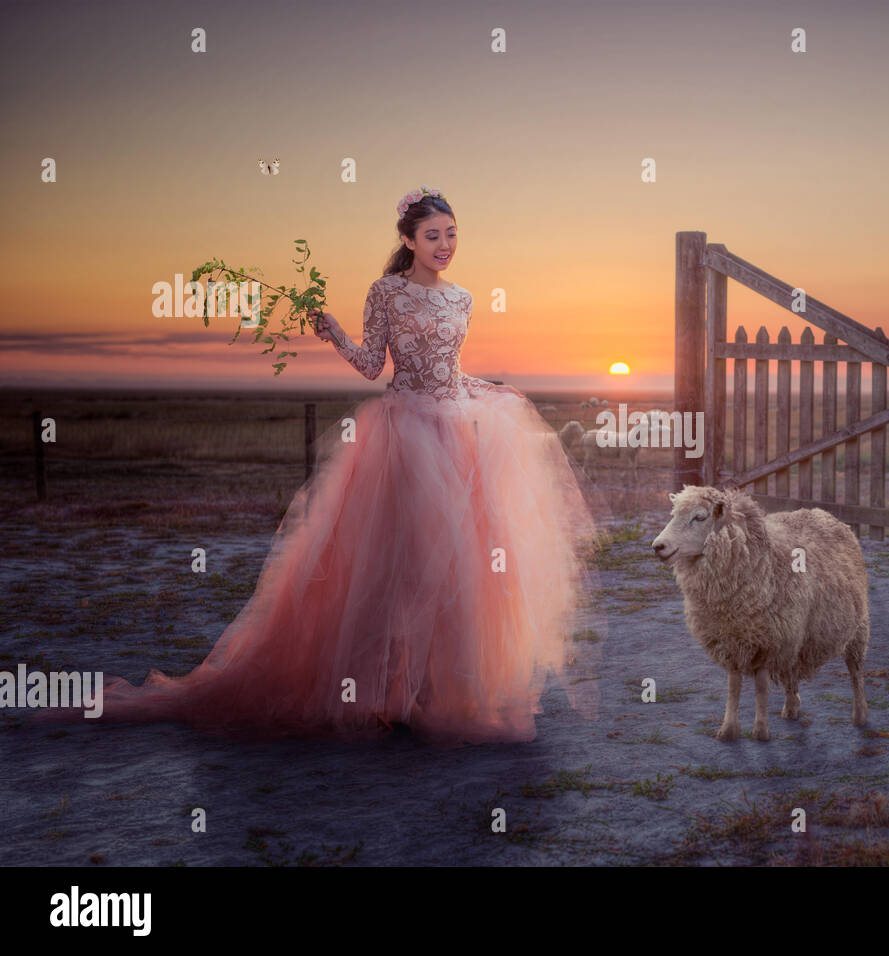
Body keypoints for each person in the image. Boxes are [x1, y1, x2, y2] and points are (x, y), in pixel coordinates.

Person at [36, 185, 606, 746]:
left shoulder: (463, 298)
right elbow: (369, 366)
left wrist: (493, 390)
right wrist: (332, 330)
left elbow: (451, 370)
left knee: (460, 567)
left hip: (457, 431)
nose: (445, 245)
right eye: (432, 235)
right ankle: (380, 688)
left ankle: (432, 692)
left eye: (452, 234)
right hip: (403, 435)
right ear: (408, 239)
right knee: (395, 563)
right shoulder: (385, 292)